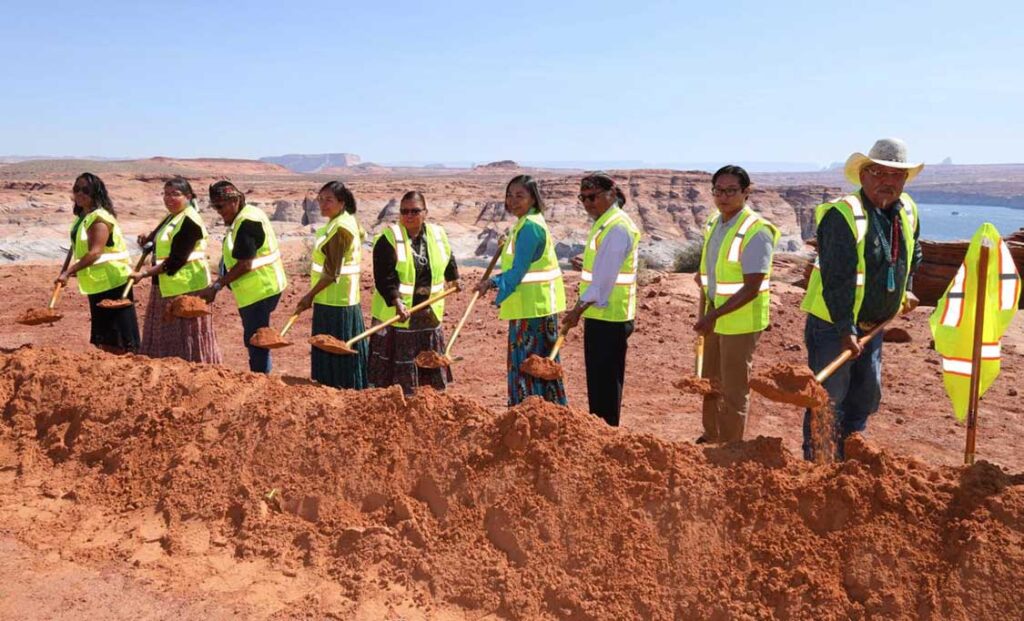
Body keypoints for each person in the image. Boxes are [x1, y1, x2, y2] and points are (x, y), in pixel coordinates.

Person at [801, 138, 922, 460]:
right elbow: (837, 278)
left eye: (895, 174)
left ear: (905, 179)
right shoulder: (843, 215)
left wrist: (907, 287)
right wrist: (846, 329)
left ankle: (851, 462)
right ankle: (818, 466)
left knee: (864, 396)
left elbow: (913, 252)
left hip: (874, 325)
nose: (887, 181)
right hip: (833, 324)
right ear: (863, 174)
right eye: (878, 172)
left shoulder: (907, 210)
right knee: (828, 400)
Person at [691, 165, 779, 444]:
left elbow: (752, 287)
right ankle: (711, 435)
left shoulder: (757, 230)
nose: (723, 197)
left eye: (731, 191)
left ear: (746, 192)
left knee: (733, 388)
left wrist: (712, 316)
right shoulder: (714, 222)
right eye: (718, 191)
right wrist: (704, 279)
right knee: (710, 381)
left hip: (740, 321)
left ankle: (729, 447)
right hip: (715, 314)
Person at [475, 175, 567, 406]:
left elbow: (518, 270)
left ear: (533, 199)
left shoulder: (530, 228)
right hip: (532, 307)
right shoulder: (526, 223)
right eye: (509, 195)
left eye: (520, 195)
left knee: (530, 366)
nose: (513, 201)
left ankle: (531, 414)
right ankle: (542, 413)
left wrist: (491, 283)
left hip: (533, 310)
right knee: (537, 365)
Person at [562, 172, 641, 426]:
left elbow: (602, 282)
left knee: (605, 384)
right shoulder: (605, 223)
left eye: (593, 197)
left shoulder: (617, 227)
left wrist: (576, 311)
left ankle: (607, 433)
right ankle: (600, 430)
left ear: (612, 193)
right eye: (583, 198)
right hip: (600, 315)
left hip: (611, 317)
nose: (588, 203)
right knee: (597, 382)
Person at [368, 191, 459, 394]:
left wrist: (454, 277)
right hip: (399, 314)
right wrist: (396, 301)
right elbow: (383, 276)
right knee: (398, 370)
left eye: (415, 211)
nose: (409, 215)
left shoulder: (437, 234)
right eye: (404, 211)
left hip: (428, 312)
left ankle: (429, 399)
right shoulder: (388, 238)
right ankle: (398, 401)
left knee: (429, 363)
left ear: (425, 212)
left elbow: (448, 257)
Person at [197, 180, 287, 373]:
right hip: (259, 287)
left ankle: (260, 380)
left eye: (221, 206)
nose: (218, 211)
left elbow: (245, 264)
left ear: (235, 200)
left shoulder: (247, 222)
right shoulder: (246, 216)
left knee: (256, 340)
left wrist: (216, 286)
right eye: (215, 207)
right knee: (257, 337)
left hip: (260, 289)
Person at [130, 177, 222, 363]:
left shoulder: (189, 221)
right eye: (166, 194)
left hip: (186, 286)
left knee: (185, 333)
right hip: (167, 283)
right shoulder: (172, 217)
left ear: (188, 197)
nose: (169, 198)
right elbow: (160, 242)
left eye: (175, 194)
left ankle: (192, 368)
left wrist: (144, 274)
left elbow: (176, 260)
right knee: (166, 331)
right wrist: (147, 241)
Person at [293, 181, 368, 389]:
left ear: (341, 203)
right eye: (320, 199)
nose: (323, 204)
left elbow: (332, 272)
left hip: (335, 302)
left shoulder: (341, 228)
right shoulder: (344, 220)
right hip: (337, 298)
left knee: (336, 350)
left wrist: (309, 296)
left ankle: (341, 392)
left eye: (329, 200)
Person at [56, 172, 140, 353]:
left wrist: (69, 272)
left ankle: (127, 364)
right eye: (77, 189)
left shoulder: (99, 218)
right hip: (98, 280)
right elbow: (80, 247)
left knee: (119, 333)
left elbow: (95, 252)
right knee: (105, 332)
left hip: (113, 280)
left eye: (86, 190)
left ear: (96, 193)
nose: (80, 193)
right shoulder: (83, 218)